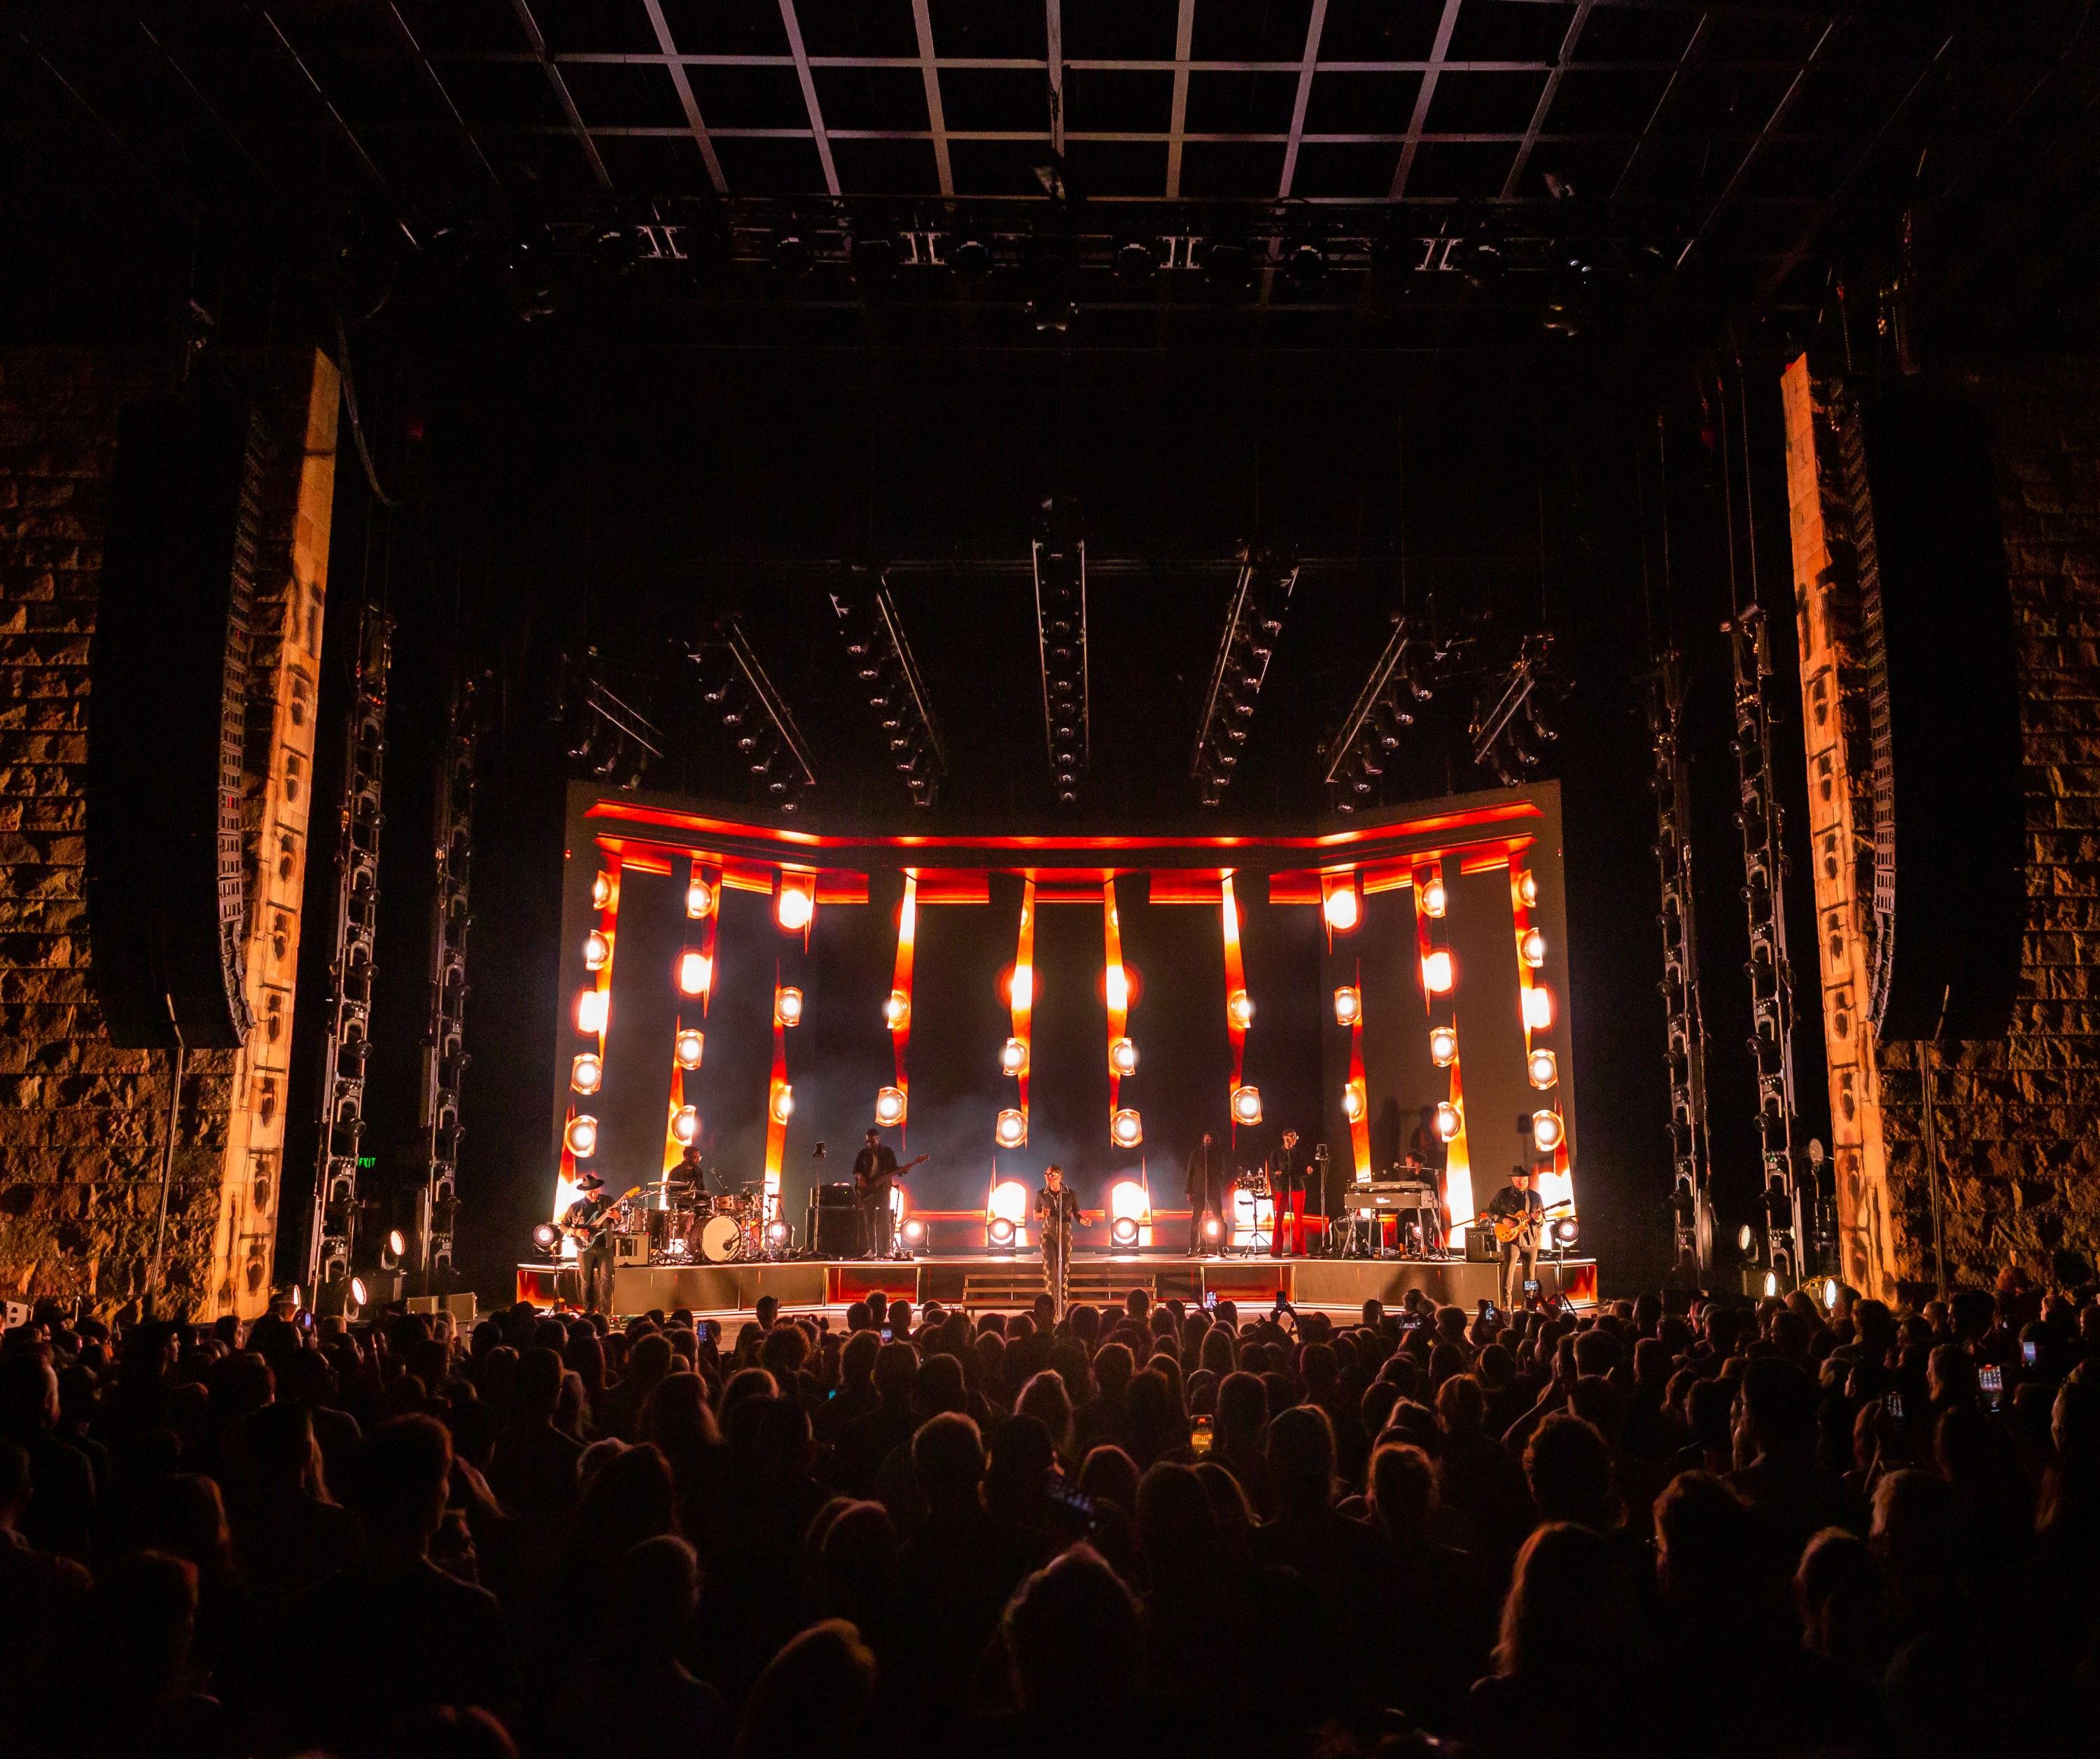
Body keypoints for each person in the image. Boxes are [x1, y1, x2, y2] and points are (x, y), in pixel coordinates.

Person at [1483, 1165, 1544, 1308]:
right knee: (1509, 1271)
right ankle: (1506, 1306)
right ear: (1513, 1180)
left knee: (1530, 1277)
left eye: (1524, 1180)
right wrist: (1503, 1220)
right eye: (1519, 1180)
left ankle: (1528, 1307)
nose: (1522, 1183)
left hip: (1531, 1240)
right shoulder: (1503, 1194)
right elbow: (1490, 1211)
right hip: (1512, 1240)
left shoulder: (1535, 1197)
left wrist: (1539, 1219)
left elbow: (1542, 1221)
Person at [561, 1175, 617, 1315]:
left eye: (596, 1191)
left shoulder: (608, 1201)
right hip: (584, 1248)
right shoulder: (576, 1207)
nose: (593, 1195)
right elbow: (563, 1225)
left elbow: (619, 1219)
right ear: (584, 1192)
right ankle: (588, 1313)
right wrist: (576, 1232)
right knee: (586, 1281)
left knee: (607, 1281)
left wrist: (616, 1216)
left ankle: (605, 1315)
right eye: (590, 1193)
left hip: (605, 1247)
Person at [1035, 1165, 1082, 1320]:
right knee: (1051, 1274)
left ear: (1059, 1176)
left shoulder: (1070, 1194)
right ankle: (1050, 1313)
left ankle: (1063, 1313)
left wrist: (1083, 1220)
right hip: (1048, 1236)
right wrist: (1043, 1214)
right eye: (1046, 1174)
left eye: (1051, 1174)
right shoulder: (1041, 1194)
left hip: (1064, 1237)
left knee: (1063, 1275)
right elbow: (1035, 1214)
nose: (1048, 1176)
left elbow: (1076, 1213)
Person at [852, 1128, 898, 1259]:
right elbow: (855, 1171)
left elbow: (894, 1168)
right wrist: (860, 1176)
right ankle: (872, 1250)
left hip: (883, 1190)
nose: (870, 1144)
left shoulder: (887, 1152)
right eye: (867, 1142)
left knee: (885, 1219)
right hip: (867, 1191)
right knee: (869, 1221)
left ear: (878, 1139)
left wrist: (902, 1170)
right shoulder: (863, 1154)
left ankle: (887, 1250)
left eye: (872, 1141)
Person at [1185, 1131, 1228, 1256]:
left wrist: (1219, 1187)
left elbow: (1221, 1173)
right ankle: (1193, 1248)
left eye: (1210, 1139)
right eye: (1206, 1139)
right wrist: (1189, 1192)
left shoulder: (1218, 1156)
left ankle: (1221, 1247)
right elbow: (1190, 1174)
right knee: (1196, 1218)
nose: (1207, 1141)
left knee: (1218, 1217)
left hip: (1214, 1190)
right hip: (1199, 1190)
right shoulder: (1196, 1155)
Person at [1269, 1130, 1306, 1258]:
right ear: (1285, 1138)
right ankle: (1276, 1249)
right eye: (1293, 1137)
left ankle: (1298, 1249)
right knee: (1279, 1218)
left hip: (1297, 1185)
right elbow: (1272, 1171)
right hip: (1282, 1186)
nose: (1295, 1139)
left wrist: (1307, 1170)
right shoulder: (1276, 1153)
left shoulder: (1298, 1153)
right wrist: (1276, 1174)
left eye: (1296, 1137)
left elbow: (1302, 1169)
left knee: (1299, 1218)